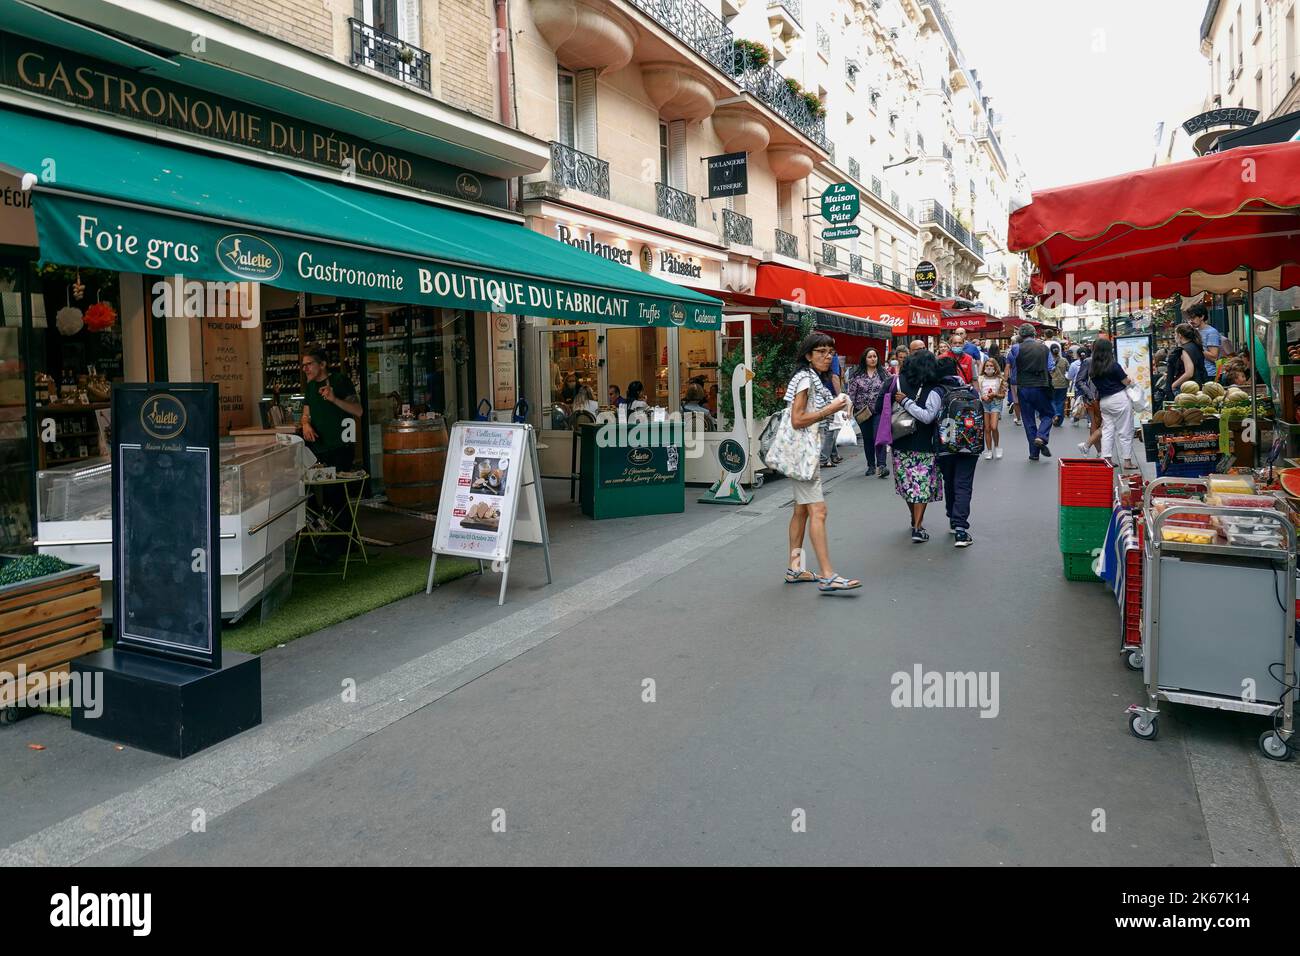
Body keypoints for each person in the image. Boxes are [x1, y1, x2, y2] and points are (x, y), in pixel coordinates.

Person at [782, 333, 860, 592]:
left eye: (830, 351)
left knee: (801, 510)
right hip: (803, 454)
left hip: (805, 452)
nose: (828, 356)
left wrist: (839, 404)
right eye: (821, 351)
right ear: (808, 355)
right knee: (819, 511)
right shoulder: (806, 378)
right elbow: (797, 419)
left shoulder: (811, 377)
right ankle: (828, 575)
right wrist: (832, 409)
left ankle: (795, 568)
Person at [300, 347, 363, 559]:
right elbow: (306, 413)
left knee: (335, 495)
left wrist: (334, 399)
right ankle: (346, 540)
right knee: (322, 495)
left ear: (322, 364)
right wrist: (306, 424)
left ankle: (338, 543)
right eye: (304, 365)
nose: (305, 368)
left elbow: (358, 411)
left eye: (309, 364)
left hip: (340, 446)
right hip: (319, 448)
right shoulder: (310, 387)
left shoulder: (339, 381)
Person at [892, 348, 945, 543]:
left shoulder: (897, 382)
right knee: (921, 486)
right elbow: (928, 417)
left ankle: (915, 519)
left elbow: (881, 406)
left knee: (907, 485)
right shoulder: (935, 388)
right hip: (925, 443)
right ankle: (917, 526)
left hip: (900, 441)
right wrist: (907, 402)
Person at [935, 356, 979, 547]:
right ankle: (961, 529)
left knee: (950, 481)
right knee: (964, 484)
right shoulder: (970, 390)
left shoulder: (936, 391)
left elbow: (930, 418)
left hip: (945, 445)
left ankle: (953, 518)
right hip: (970, 445)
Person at [1007, 323, 1055, 460]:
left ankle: (1034, 453)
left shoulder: (1016, 348)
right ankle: (1042, 435)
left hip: (1023, 387)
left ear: (1021, 335)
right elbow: (1051, 367)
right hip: (1041, 386)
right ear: (1034, 334)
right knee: (1048, 414)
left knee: (1028, 420)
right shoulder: (1044, 348)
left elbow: (1012, 361)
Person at [1090, 337, 1136, 468]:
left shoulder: (1093, 368)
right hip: (1119, 399)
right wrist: (1130, 379)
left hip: (1104, 401)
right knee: (1125, 430)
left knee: (1107, 430)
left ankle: (1106, 459)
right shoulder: (1114, 365)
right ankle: (1127, 461)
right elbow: (1125, 382)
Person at [847, 349, 890, 476]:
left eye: (875, 356)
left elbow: (889, 392)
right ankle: (871, 465)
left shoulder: (884, 374)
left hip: (879, 410)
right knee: (868, 438)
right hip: (862, 412)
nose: (872, 359)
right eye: (870, 357)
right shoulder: (856, 376)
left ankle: (881, 465)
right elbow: (851, 396)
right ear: (864, 359)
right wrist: (849, 411)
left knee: (879, 436)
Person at [1163, 323, 1207, 402]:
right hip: (1196, 385)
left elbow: (1189, 372)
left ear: (1180, 335)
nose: (1174, 337)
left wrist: (1174, 385)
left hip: (1187, 388)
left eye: (1175, 334)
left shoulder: (1185, 349)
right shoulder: (1196, 346)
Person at [977, 356, 1005, 460]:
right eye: (987, 365)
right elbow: (977, 392)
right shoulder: (980, 379)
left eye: (991, 366)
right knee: (987, 428)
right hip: (984, 404)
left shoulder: (1000, 379)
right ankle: (988, 450)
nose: (989, 368)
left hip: (995, 403)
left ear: (995, 367)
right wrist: (982, 397)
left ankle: (997, 447)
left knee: (994, 426)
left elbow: (1003, 395)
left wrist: (994, 395)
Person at [1186, 302, 1220, 378]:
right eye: (1189, 318)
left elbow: (1214, 357)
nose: (1191, 321)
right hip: (1196, 373)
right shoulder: (1194, 331)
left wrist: (1195, 348)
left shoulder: (1211, 332)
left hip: (1209, 373)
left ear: (1201, 317)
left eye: (1193, 318)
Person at [1048, 341, 1070, 426]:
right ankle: (1059, 421)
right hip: (1063, 383)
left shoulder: (1048, 361)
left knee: (1052, 400)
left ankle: (1056, 414)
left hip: (1052, 383)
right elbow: (1069, 370)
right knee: (1061, 401)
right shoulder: (1064, 360)